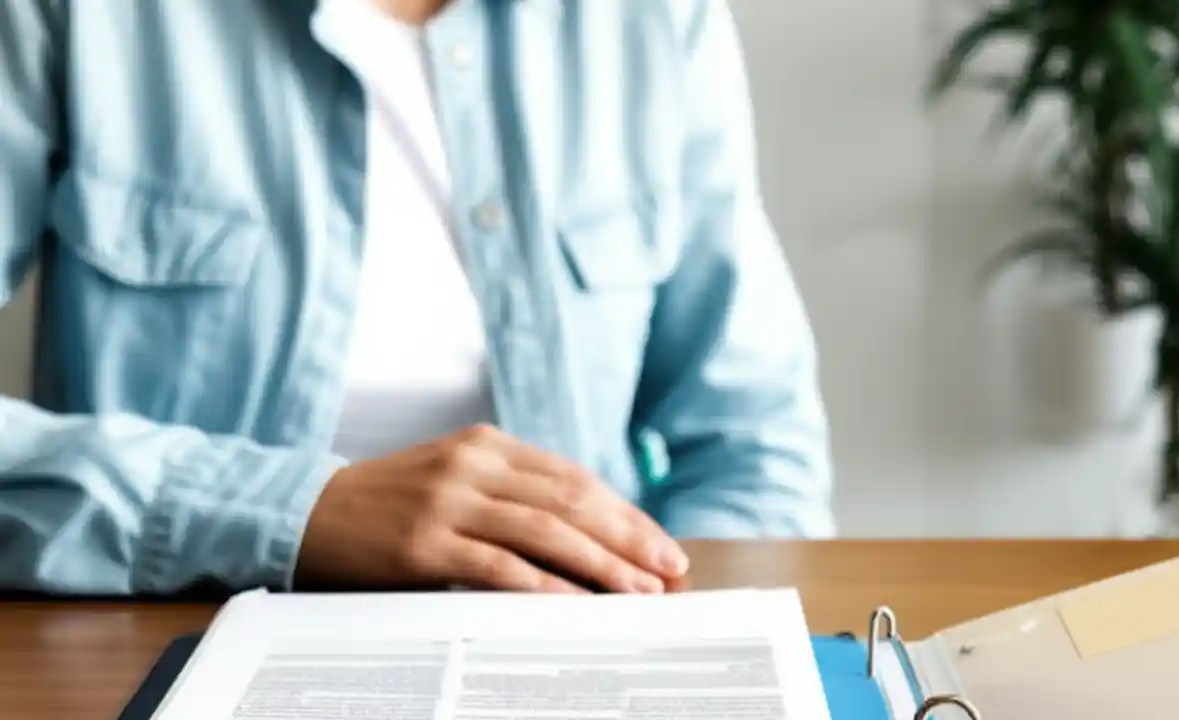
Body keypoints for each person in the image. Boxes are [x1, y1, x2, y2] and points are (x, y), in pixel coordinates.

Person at [0, 0, 833, 597]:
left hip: (575, 646)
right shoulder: (79, 17)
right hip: (181, 633)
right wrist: (288, 511)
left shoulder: (654, 21)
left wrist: (662, 621)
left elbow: (756, 439)